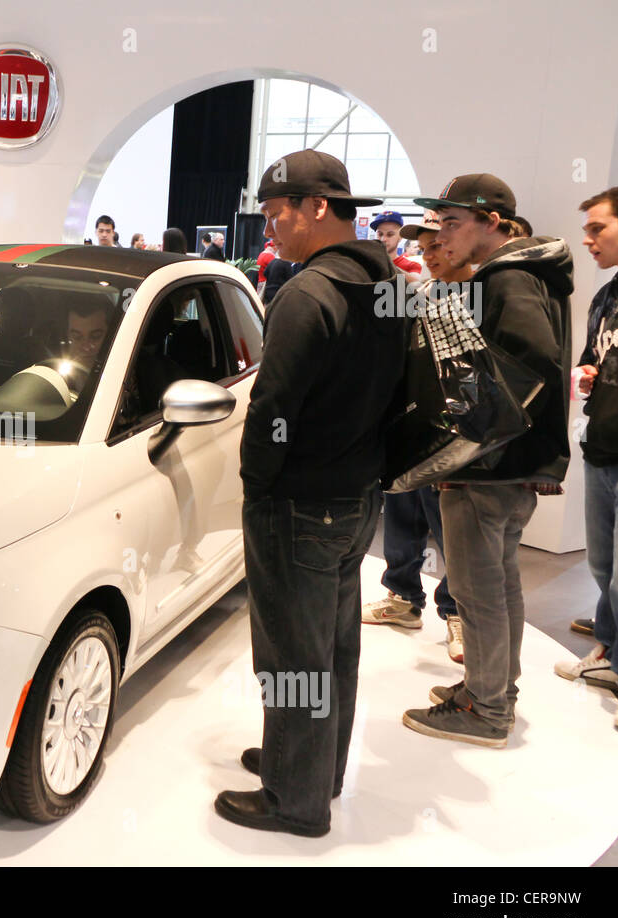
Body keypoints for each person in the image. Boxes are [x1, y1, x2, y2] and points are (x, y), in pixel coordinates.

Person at [216, 149, 402, 838]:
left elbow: (272, 409)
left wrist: (257, 486)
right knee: (333, 648)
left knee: (294, 654)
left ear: (317, 206)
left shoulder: (307, 294)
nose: (270, 230)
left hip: (299, 503)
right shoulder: (390, 283)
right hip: (358, 498)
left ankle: (294, 800)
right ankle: (314, 768)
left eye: (276, 215)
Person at [401, 174, 572, 747]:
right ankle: (492, 688)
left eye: (453, 222)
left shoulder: (507, 277)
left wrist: (465, 436)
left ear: (492, 222)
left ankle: (486, 709)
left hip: (489, 468)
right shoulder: (524, 273)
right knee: (496, 586)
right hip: (507, 466)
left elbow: (532, 360)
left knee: (478, 591)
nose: (442, 235)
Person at [362, 211, 466, 661]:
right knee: (403, 514)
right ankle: (403, 596)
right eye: (423, 248)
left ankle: (458, 612)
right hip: (408, 426)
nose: (430, 254)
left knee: (450, 528)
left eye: (436, 244)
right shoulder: (416, 292)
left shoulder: (477, 296)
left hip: (450, 433)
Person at [555, 185, 618, 730]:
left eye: (597, 228)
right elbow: (592, 360)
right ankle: (610, 654)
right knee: (604, 570)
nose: (587, 240)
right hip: (602, 450)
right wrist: (586, 374)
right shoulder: (607, 295)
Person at [370, 210, 422, 277]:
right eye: (380, 234)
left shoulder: (410, 266)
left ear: (400, 237)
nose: (383, 239)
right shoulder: (368, 263)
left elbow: (415, 280)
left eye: (390, 234)